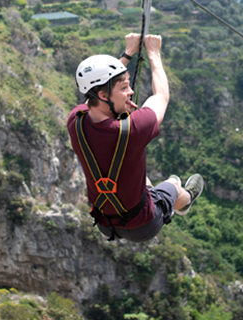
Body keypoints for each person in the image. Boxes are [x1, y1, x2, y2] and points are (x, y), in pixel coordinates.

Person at [67, 33, 203, 243]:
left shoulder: (75, 120)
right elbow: (161, 96)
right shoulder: (134, 128)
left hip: (105, 223)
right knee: (173, 184)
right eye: (124, 88)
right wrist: (154, 53)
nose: (130, 92)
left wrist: (127, 54)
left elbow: (96, 94)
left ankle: (159, 192)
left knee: (141, 179)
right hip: (145, 225)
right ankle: (185, 200)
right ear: (104, 96)